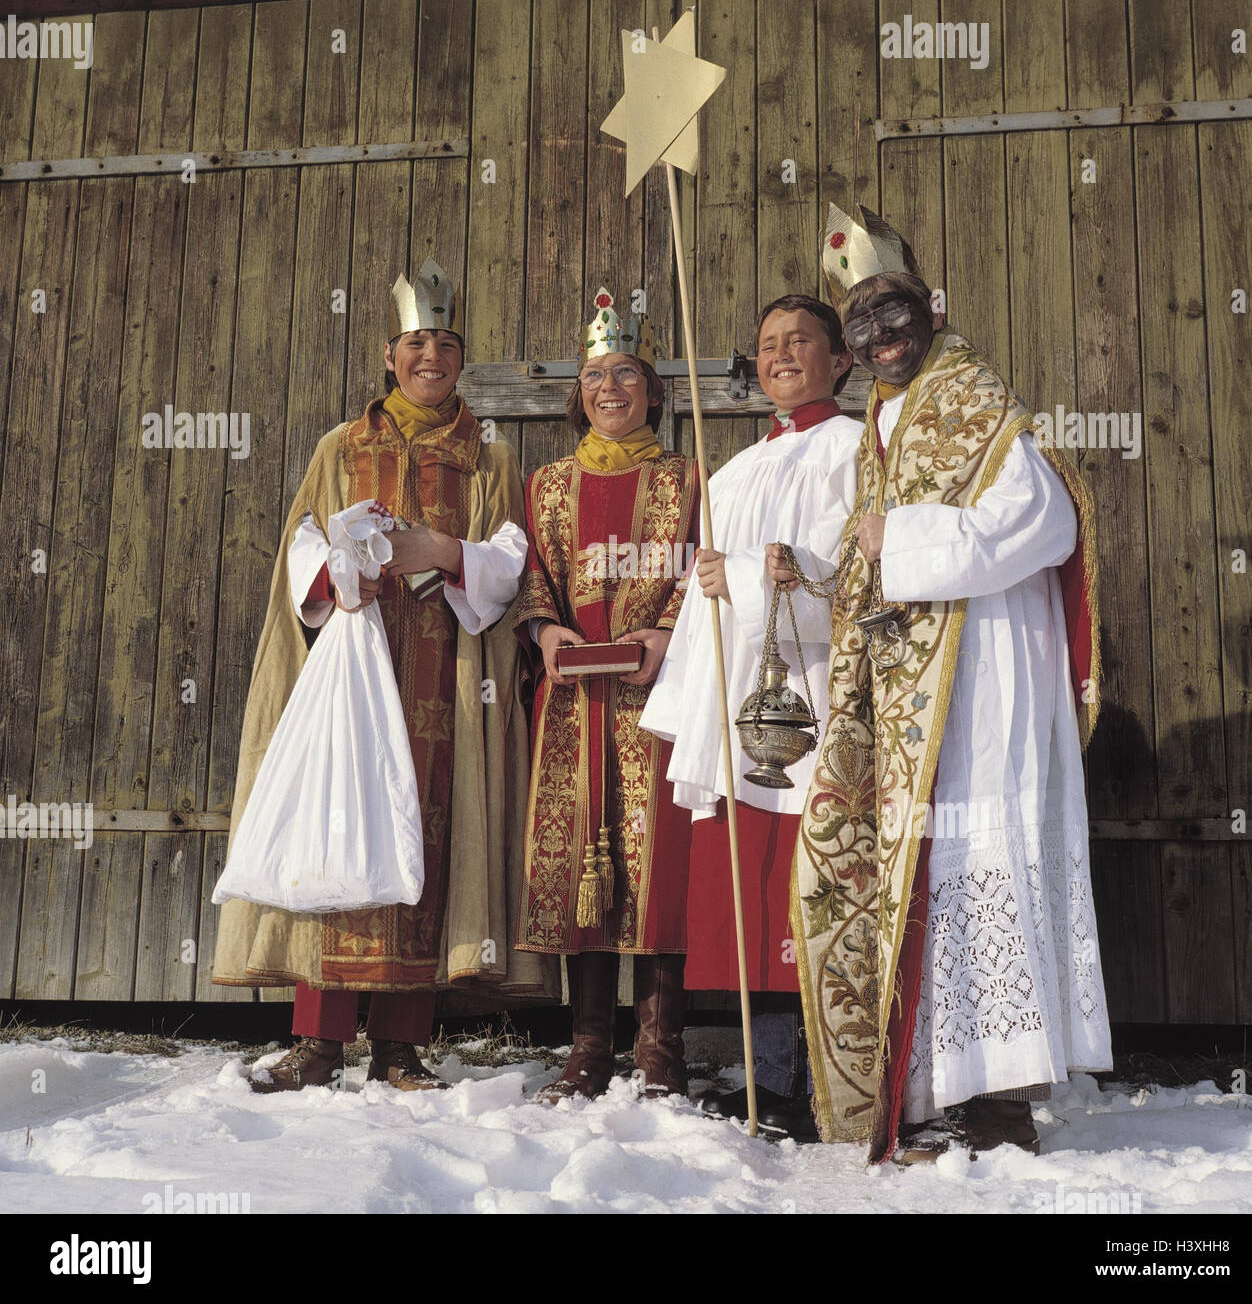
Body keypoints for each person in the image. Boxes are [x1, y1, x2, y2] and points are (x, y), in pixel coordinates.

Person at [789, 203, 1111, 1161]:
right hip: (913, 686)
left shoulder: (973, 399)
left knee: (989, 862)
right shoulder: (882, 422)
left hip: (989, 674)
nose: (882, 335)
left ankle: (1004, 1103)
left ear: (931, 304)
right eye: (861, 323)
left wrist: (908, 542)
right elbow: (869, 555)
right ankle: (931, 1087)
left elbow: (1045, 524)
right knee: (924, 874)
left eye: (893, 311)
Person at [213, 257, 556, 1092]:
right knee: (333, 822)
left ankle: (400, 1045)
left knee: (424, 836)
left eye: (443, 343)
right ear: (390, 356)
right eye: (414, 343)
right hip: (350, 672)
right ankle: (320, 1041)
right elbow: (298, 542)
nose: (428, 356)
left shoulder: (488, 454)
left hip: (444, 678)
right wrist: (334, 577)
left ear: (460, 357)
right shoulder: (342, 445)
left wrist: (446, 553)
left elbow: (511, 559)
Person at [640, 294, 863, 1139]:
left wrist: (787, 573)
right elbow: (708, 603)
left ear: (839, 359)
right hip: (738, 708)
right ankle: (767, 1078)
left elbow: (856, 575)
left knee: (811, 887)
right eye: (767, 345)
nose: (779, 355)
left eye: (799, 341)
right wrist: (710, 604)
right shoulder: (728, 472)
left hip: (816, 697)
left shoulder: (853, 452)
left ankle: (828, 1081)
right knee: (751, 897)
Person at [512, 289, 699, 1102]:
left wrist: (667, 636)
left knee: (661, 867)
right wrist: (546, 633)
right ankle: (588, 1047)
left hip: (657, 700)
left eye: (626, 372)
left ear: (652, 387)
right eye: (596, 376)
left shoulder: (691, 481)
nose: (610, 388)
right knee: (583, 863)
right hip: (571, 706)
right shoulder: (546, 486)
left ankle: (660, 1052)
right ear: (578, 391)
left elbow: (706, 577)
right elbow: (529, 583)